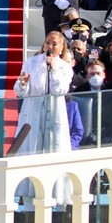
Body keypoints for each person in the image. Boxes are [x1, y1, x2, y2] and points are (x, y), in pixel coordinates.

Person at [12, 31, 74, 162]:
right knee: (31, 148)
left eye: (54, 44)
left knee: (54, 146)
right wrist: (23, 84)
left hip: (54, 112)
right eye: (47, 43)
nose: (50, 46)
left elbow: (60, 90)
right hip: (32, 111)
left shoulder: (65, 67)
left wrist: (54, 69)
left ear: (62, 47)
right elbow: (20, 91)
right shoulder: (31, 62)